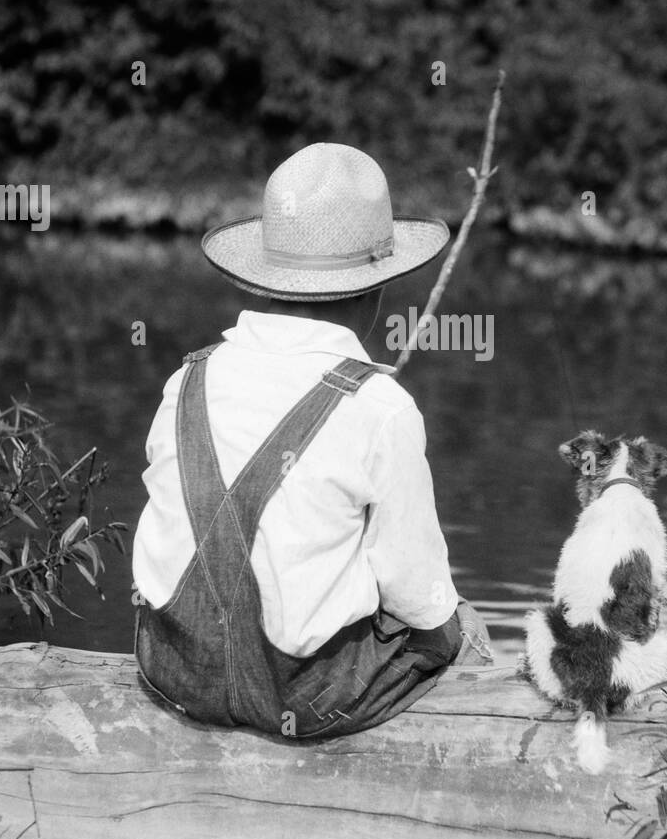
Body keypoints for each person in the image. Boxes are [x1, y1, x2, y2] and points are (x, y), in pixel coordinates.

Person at [132, 141, 492, 739]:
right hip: (306, 696)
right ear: (378, 290)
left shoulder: (186, 378)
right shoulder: (382, 408)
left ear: (265, 277)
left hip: (173, 671)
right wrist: (455, 624)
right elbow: (417, 596)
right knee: (454, 624)